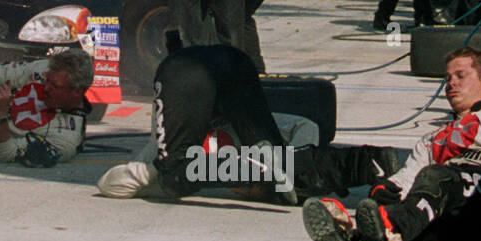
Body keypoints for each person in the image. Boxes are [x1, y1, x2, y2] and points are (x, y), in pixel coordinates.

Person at [303, 48, 481, 241]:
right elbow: (409, 176)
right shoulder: (433, 138)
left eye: (460, 75)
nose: (451, 83)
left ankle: (379, 230)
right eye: (447, 78)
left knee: (436, 176)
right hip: (452, 220)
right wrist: (386, 188)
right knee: (397, 203)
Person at [96, 44, 397, 203]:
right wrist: (288, 163)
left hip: (210, 69)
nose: (249, 190)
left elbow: (111, 183)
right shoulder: (263, 155)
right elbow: (107, 185)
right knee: (179, 176)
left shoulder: (172, 158)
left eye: (255, 190)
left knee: (176, 176)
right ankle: (366, 163)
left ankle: (352, 164)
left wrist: (156, 177)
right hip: (216, 65)